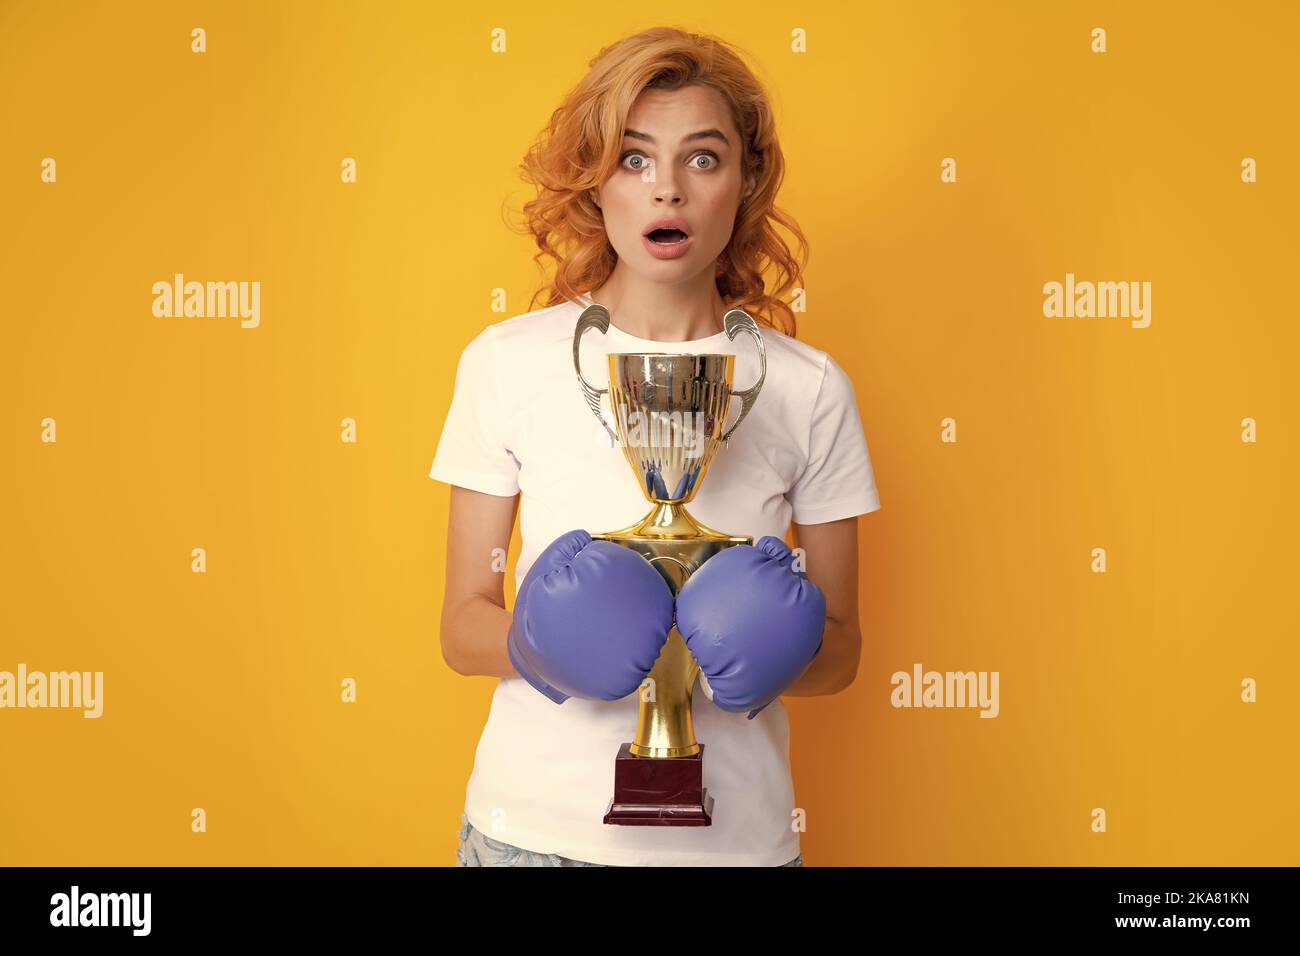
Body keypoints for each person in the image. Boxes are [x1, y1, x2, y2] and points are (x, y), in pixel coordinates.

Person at [430, 26, 881, 867]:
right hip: (530, 838)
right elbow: (462, 628)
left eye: (703, 159)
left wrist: (766, 648)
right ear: (595, 182)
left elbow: (844, 654)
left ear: (745, 182)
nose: (667, 188)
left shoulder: (809, 387)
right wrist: (541, 644)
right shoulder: (505, 362)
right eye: (634, 159)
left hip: (737, 847)